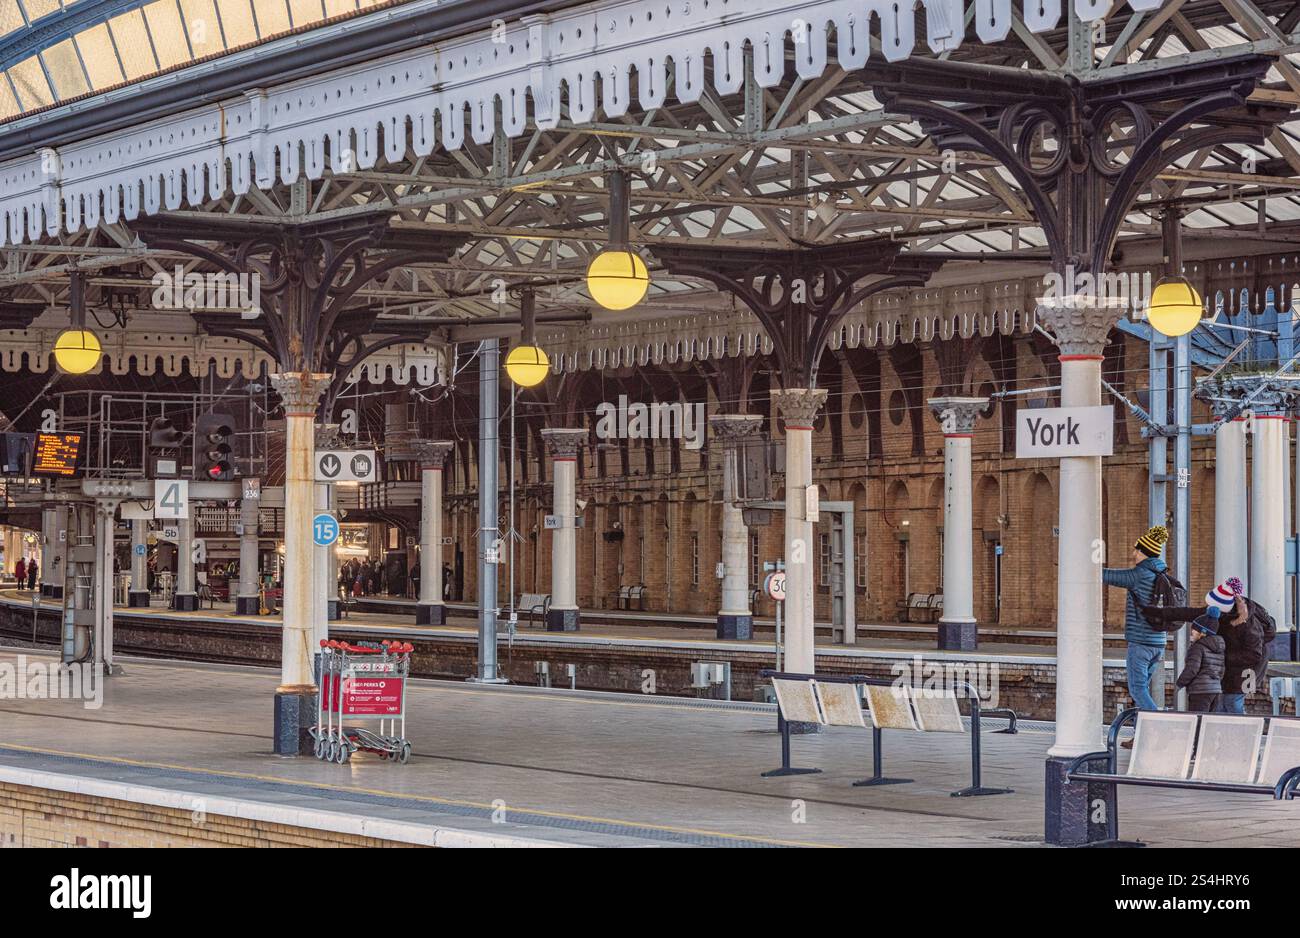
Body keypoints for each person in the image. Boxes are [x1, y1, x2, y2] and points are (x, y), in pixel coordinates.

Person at [1145, 577, 1275, 714]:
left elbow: (1253, 654)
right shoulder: (1219, 611)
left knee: (1232, 700)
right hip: (1229, 664)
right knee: (1220, 703)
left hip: (1249, 668)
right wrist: (1159, 612)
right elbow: (1189, 613)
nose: (1210, 610)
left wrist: (1221, 657)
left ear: (1224, 609)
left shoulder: (1249, 625)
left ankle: (1242, 732)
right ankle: (1221, 732)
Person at [1103, 525, 1174, 712]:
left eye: (1137, 550)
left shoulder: (1139, 575)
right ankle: (1140, 734)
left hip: (1141, 643)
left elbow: (1107, 576)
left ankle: (1158, 726)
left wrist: (1084, 566)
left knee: (1137, 690)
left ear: (1145, 553)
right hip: (1158, 644)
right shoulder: (1161, 574)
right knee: (1142, 691)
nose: (1134, 554)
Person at [1174, 608, 1225, 713]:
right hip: (1216, 691)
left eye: (1194, 630)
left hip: (1200, 691)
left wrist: (1179, 683)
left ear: (1203, 632)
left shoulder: (1197, 647)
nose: (1192, 631)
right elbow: (1222, 670)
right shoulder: (1220, 648)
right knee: (1209, 725)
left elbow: (1192, 669)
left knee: (1197, 723)